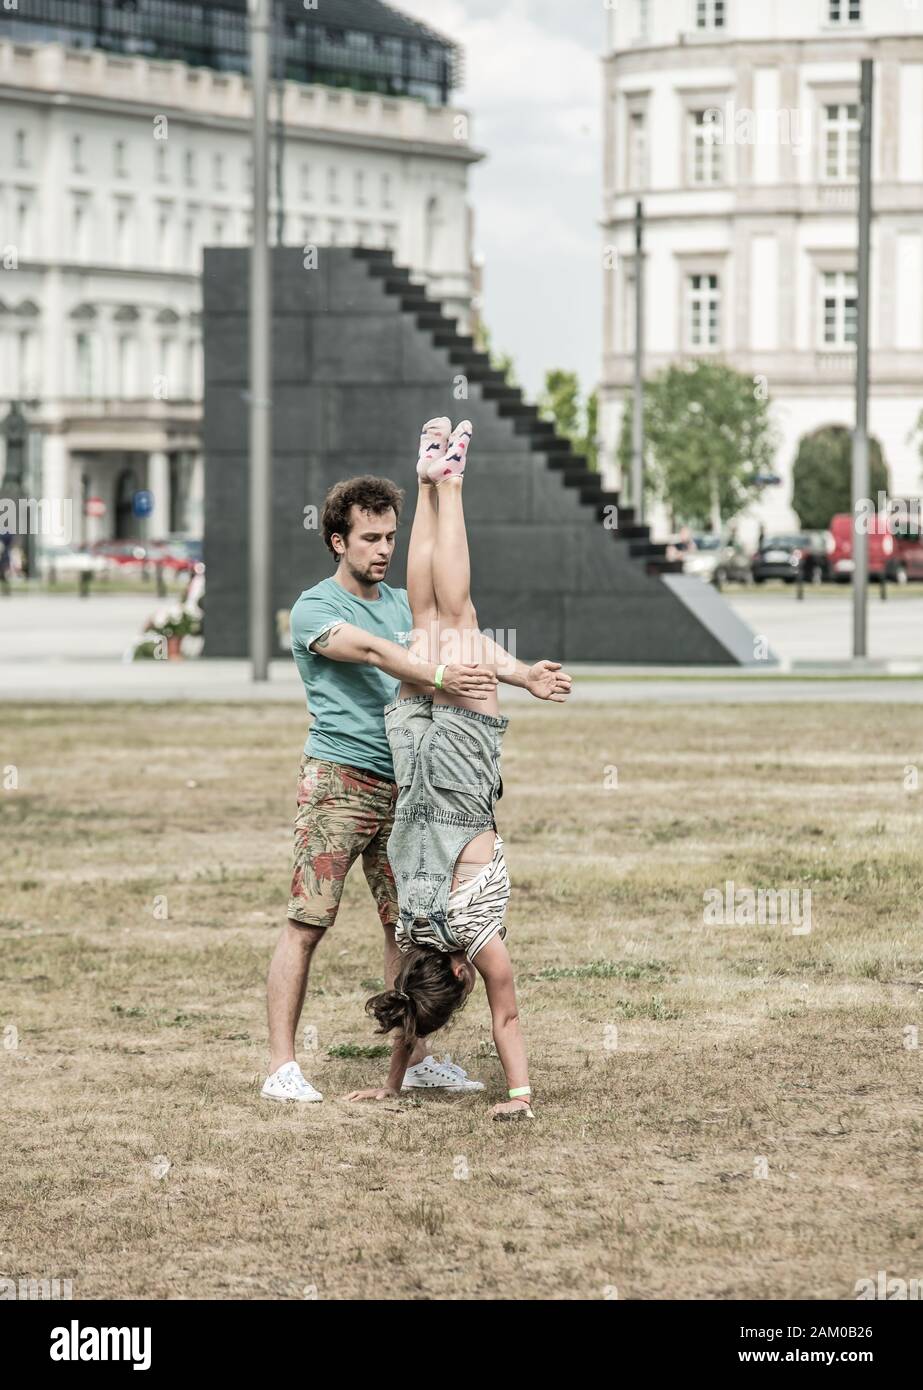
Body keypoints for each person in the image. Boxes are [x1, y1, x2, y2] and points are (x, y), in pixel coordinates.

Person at [262, 456, 570, 1103]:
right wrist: (435, 678)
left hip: (409, 792)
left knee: (406, 927)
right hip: (341, 783)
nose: (382, 549)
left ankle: (419, 1055)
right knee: (307, 923)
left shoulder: (405, 600)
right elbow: (376, 652)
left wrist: (525, 677)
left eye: (390, 537)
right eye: (369, 538)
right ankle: (282, 1066)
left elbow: (466, 646)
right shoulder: (314, 607)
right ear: (337, 541)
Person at [345, 418, 571, 1120]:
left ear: (456, 971)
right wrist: (388, 1084)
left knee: (458, 619)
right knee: (425, 624)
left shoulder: (476, 940)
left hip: (459, 781)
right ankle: (424, 481)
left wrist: (521, 1096)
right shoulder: (412, 934)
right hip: (412, 762)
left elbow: (505, 1019)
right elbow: (407, 1010)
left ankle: (451, 484)